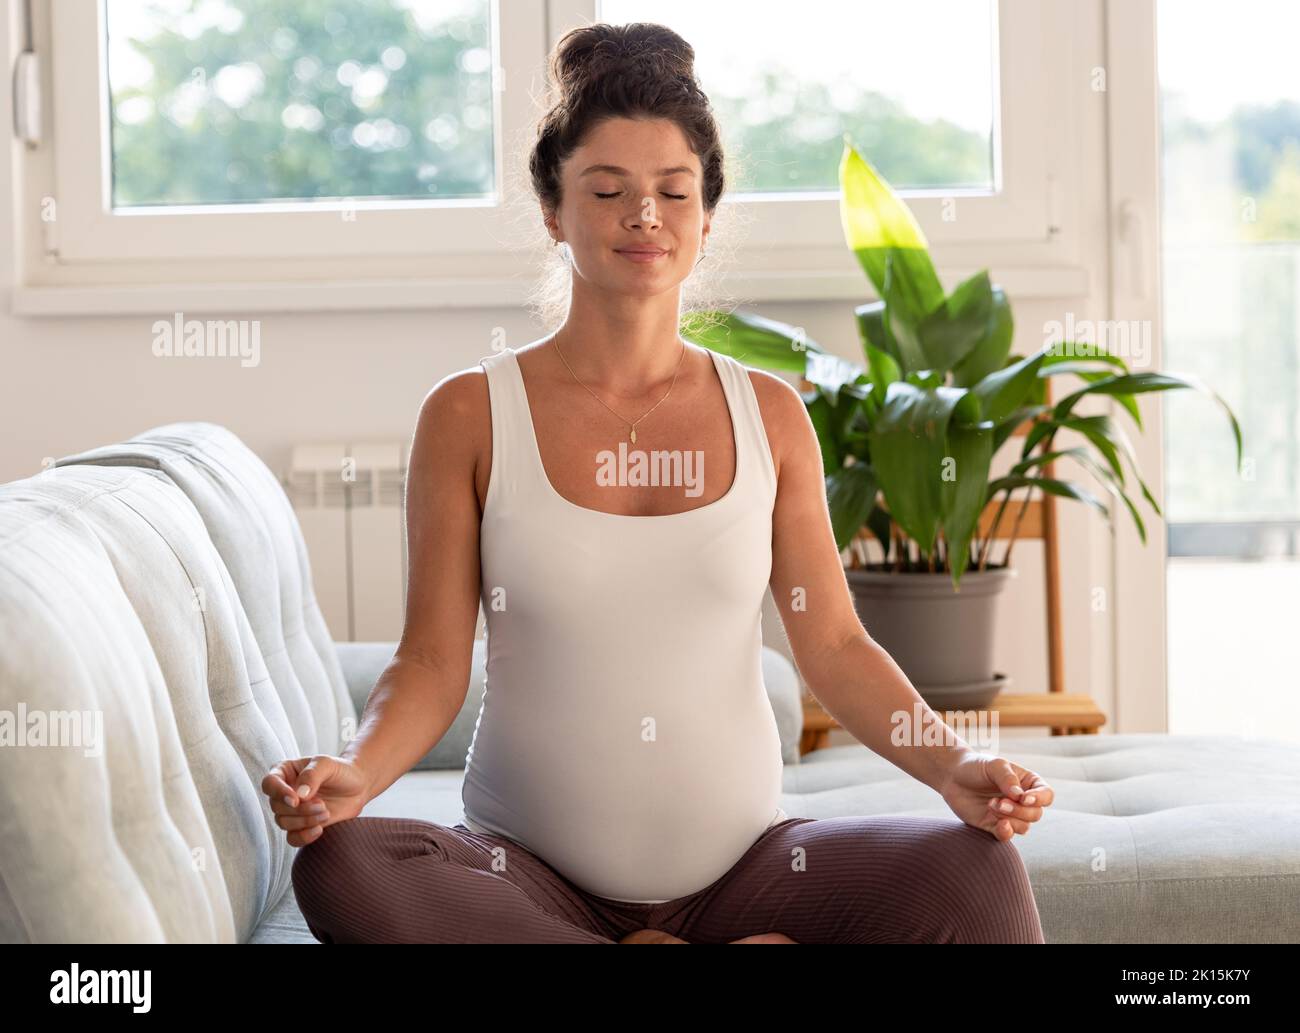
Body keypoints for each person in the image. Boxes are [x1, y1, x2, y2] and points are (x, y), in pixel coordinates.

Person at [266, 21, 1051, 944]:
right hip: (527, 875)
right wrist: (359, 770)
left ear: (705, 219)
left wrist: (953, 761)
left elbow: (833, 644)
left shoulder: (769, 415)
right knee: (346, 867)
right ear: (553, 211)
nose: (644, 216)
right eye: (608, 190)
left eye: (673, 192)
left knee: (975, 877)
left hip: (753, 869)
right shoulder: (470, 414)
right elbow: (433, 664)